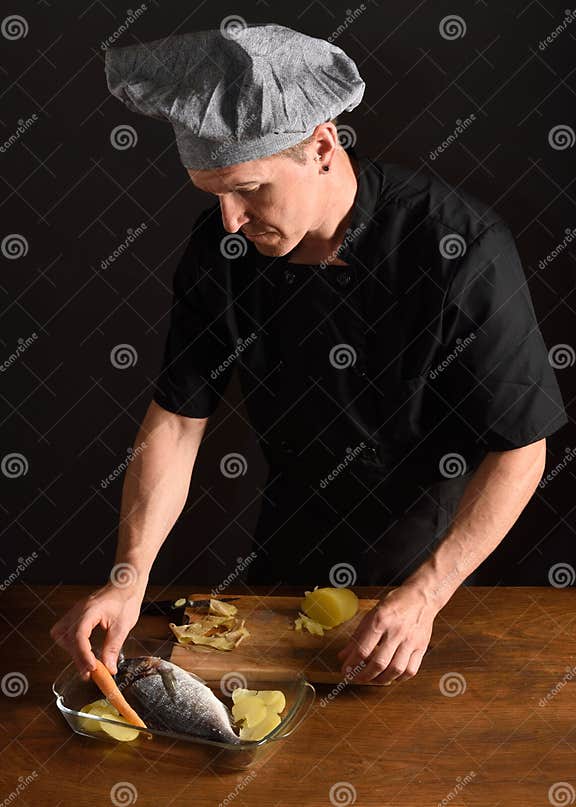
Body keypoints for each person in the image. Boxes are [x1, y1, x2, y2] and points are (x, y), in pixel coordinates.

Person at [51, 24, 568, 686]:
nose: (231, 219)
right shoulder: (223, 250)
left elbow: (523, 446)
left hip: (438, 576)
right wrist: (129, 576)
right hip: (286, 556)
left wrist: (428, 594)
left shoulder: (458, 245)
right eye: (215, 194)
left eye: (250, 189)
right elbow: (177, 422)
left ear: (322, 147)